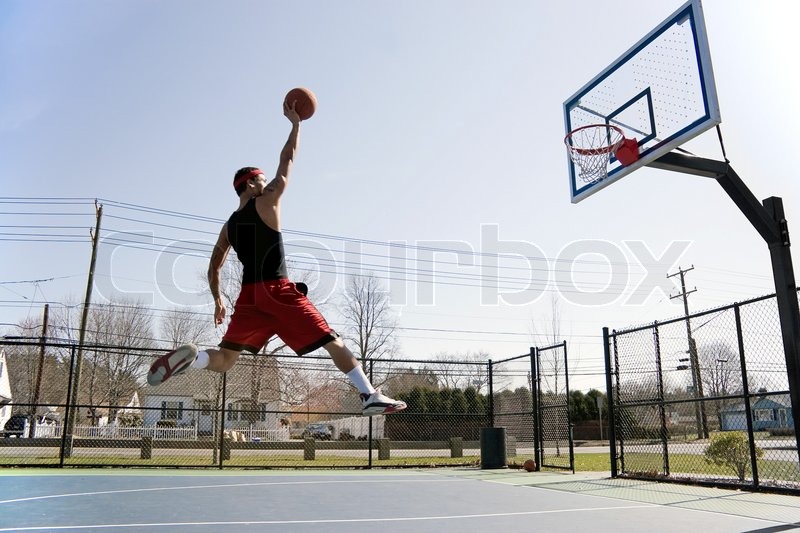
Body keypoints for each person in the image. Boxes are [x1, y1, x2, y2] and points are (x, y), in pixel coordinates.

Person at [147, 100, 407, 416]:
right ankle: (369, 396)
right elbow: (288, 158)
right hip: (278, 291)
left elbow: (213, 266)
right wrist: (296, 125)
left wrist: (218, 301)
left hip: (249, 298)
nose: (267, 181)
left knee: (226, 359)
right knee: (332, 340)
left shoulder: (229, 226)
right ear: (252, 183)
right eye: (262, 178)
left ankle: (195, 357)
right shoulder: (267, 201)